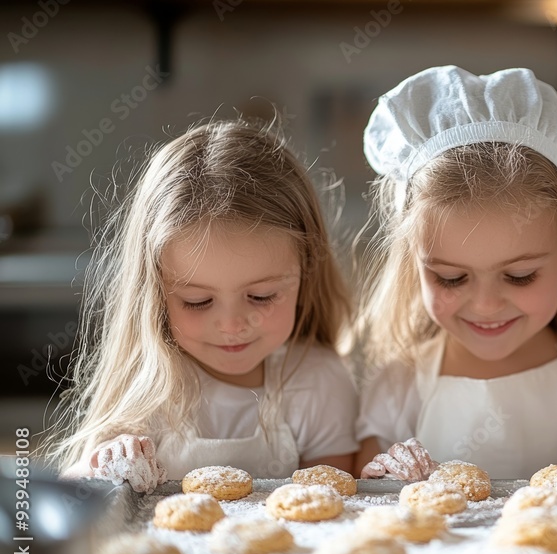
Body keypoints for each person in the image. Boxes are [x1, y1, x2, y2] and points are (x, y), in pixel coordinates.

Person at [354, 65, 557, 482]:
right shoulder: (398, 387)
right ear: (414, 262)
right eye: (451, 278)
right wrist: (384, 474)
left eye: (519, 275)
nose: (486, 304)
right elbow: (367, 496)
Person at [47, 118, 358, 491]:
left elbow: (334, 504)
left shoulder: (319, 385)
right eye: (198, 301)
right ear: (156, 296)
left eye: (261, 296)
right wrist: (102, 466)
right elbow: (67, 501)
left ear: (306, 271)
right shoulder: (149, 391)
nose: (231, 324)